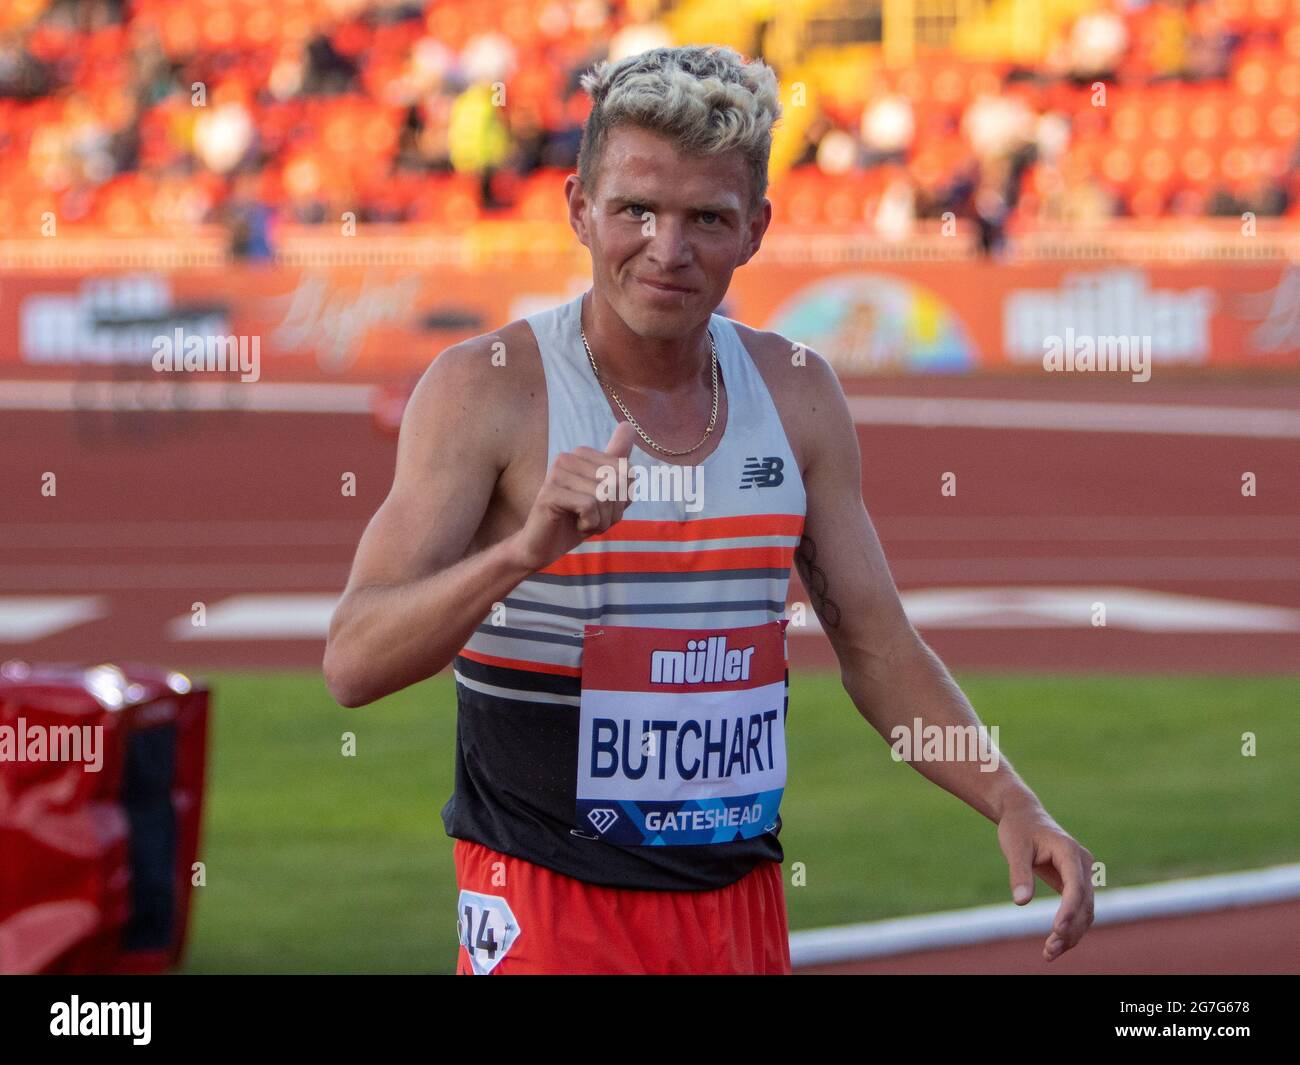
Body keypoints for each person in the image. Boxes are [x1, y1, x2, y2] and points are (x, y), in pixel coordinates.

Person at [324, 45, 1095, 975]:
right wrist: (522, 552)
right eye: (636, 210)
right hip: (545, 906)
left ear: (757, 228)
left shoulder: (797, 392)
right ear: (579, 207)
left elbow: (879, 645)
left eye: (707, 218)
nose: (668, 248)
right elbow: (354, 660)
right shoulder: (487, 390)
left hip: (739, 910)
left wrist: (1012, 799)